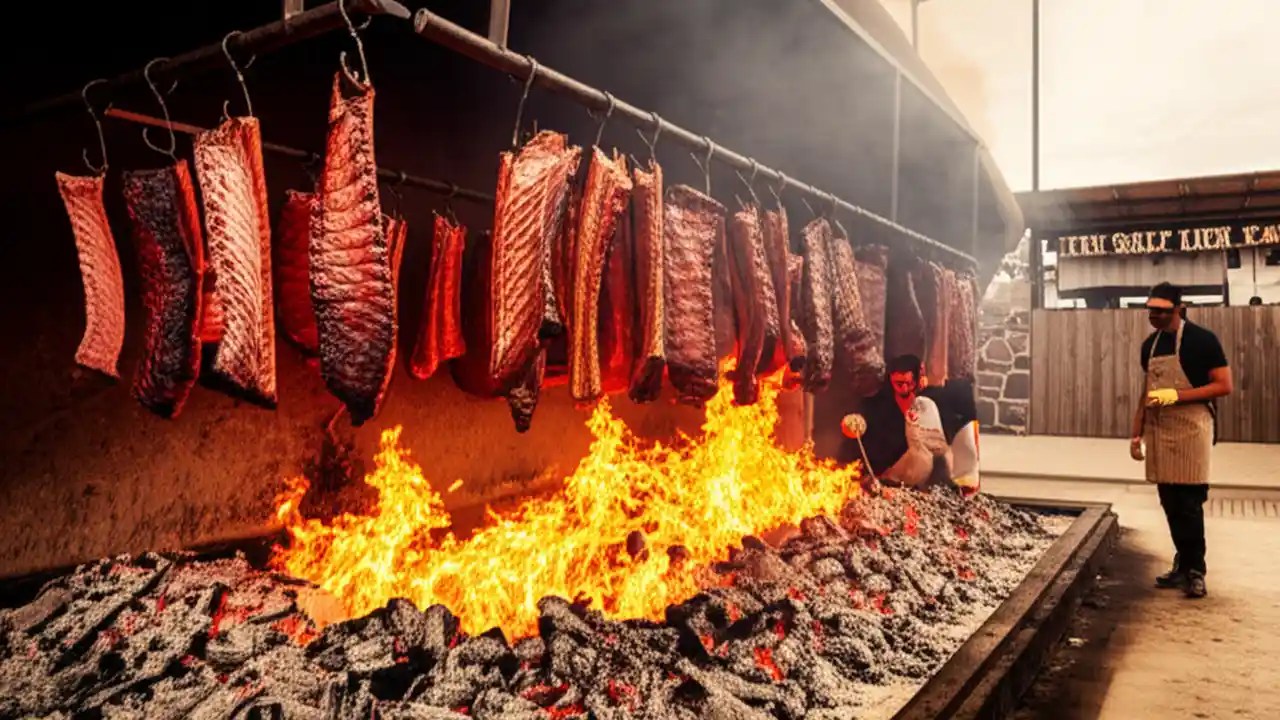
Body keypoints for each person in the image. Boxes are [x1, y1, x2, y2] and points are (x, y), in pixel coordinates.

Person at [1131, 282, 1233, 599]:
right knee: (1170, 504)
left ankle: (1195, 570)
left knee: (1189, 504)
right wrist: (1136, 432)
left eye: (1162, 311)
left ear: (1178, 309)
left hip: (1192, 428)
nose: (1155, 316)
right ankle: (1181, 565)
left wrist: (1177, 395)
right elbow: (1146, 394)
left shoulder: (1203, 341)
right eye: (1151, 310)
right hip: (1160, 432)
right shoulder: (1150, 345)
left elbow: (1224, 385)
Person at [843, 355, 954, 490]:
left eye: (910, 383)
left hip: (925, 477)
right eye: (899, 384)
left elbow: (940, 445)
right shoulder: (878, 406)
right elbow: (860, 432)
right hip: (885, 476)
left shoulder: (927, 405)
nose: (905, 388)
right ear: (891, 380)